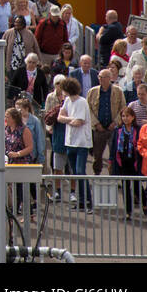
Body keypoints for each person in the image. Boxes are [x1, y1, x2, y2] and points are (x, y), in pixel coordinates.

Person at [57, 78, 92, 210]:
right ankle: (81, 201)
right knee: (74, 172)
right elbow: (60, 117)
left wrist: (68, 119)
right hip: (70, 141)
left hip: (82, 142)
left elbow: (79, 122)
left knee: (80, 171)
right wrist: (71, 119)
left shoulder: (82, 102)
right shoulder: (67, 101)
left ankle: (87, 201)